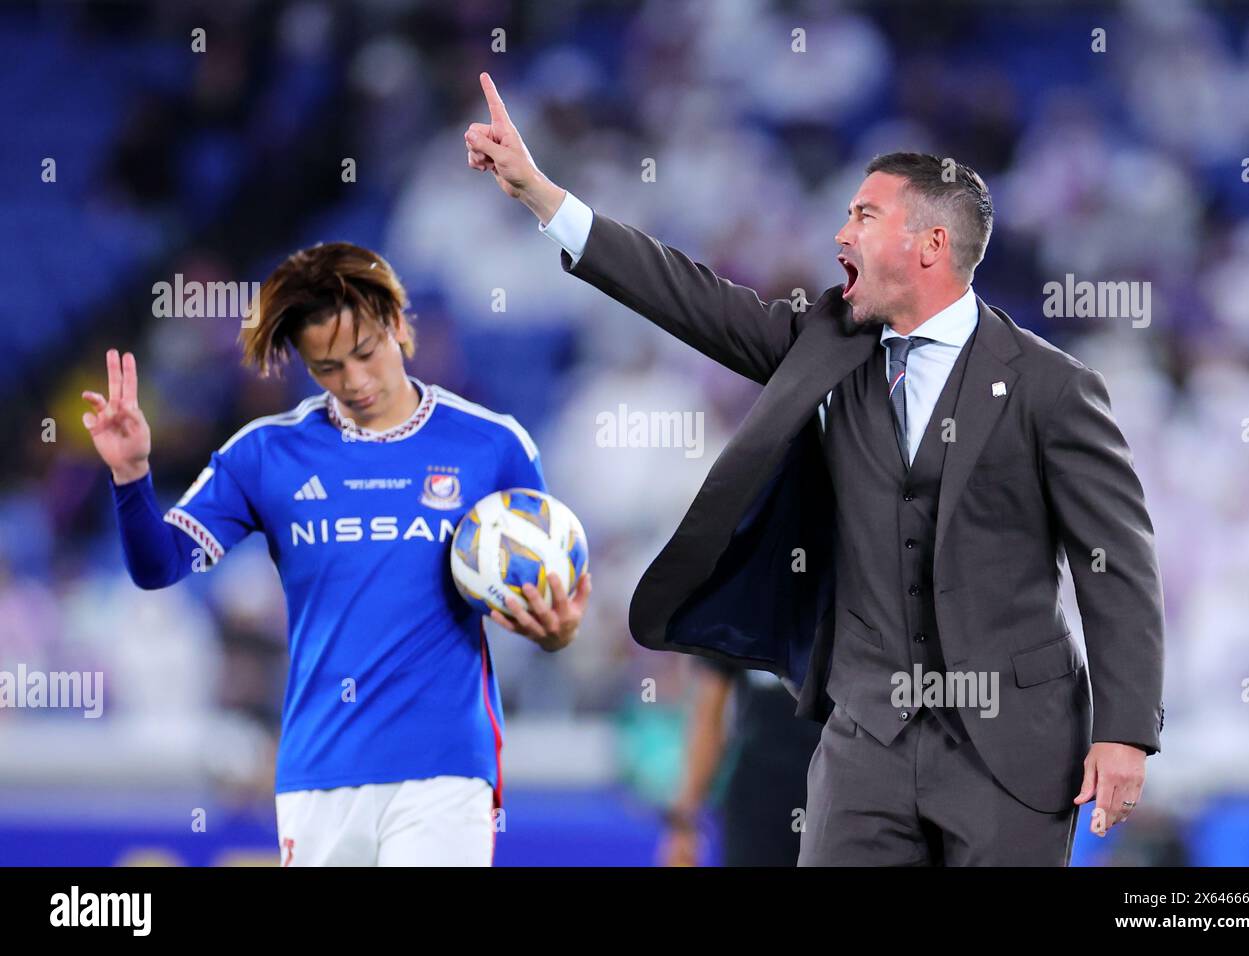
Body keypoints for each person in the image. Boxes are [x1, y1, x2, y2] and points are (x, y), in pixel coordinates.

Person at [466, 72, 1164, 865]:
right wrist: (544, 199)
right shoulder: (826, 341)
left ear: (931, 244)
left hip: (1013, 745)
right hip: (864, 738)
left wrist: (1125, 731)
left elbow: (1119, 565)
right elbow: (689, 297)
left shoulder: (1054, 387)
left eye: (863, 215)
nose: (840, 234)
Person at [81, 242, 591, 866]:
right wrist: (132, 476)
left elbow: (545, 592)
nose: (354, 381)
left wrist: (558, 634)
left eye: (366, 353)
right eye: (327, 367)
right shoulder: (265, 454)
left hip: (444, 770)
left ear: (399, 326)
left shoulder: (492, 445)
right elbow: (158, 567)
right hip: (317, 772)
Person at [659, 660, 823, 867]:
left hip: (839, 795)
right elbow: (708, 714)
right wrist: (684, 823)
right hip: (758, 801)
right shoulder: (742, 629)